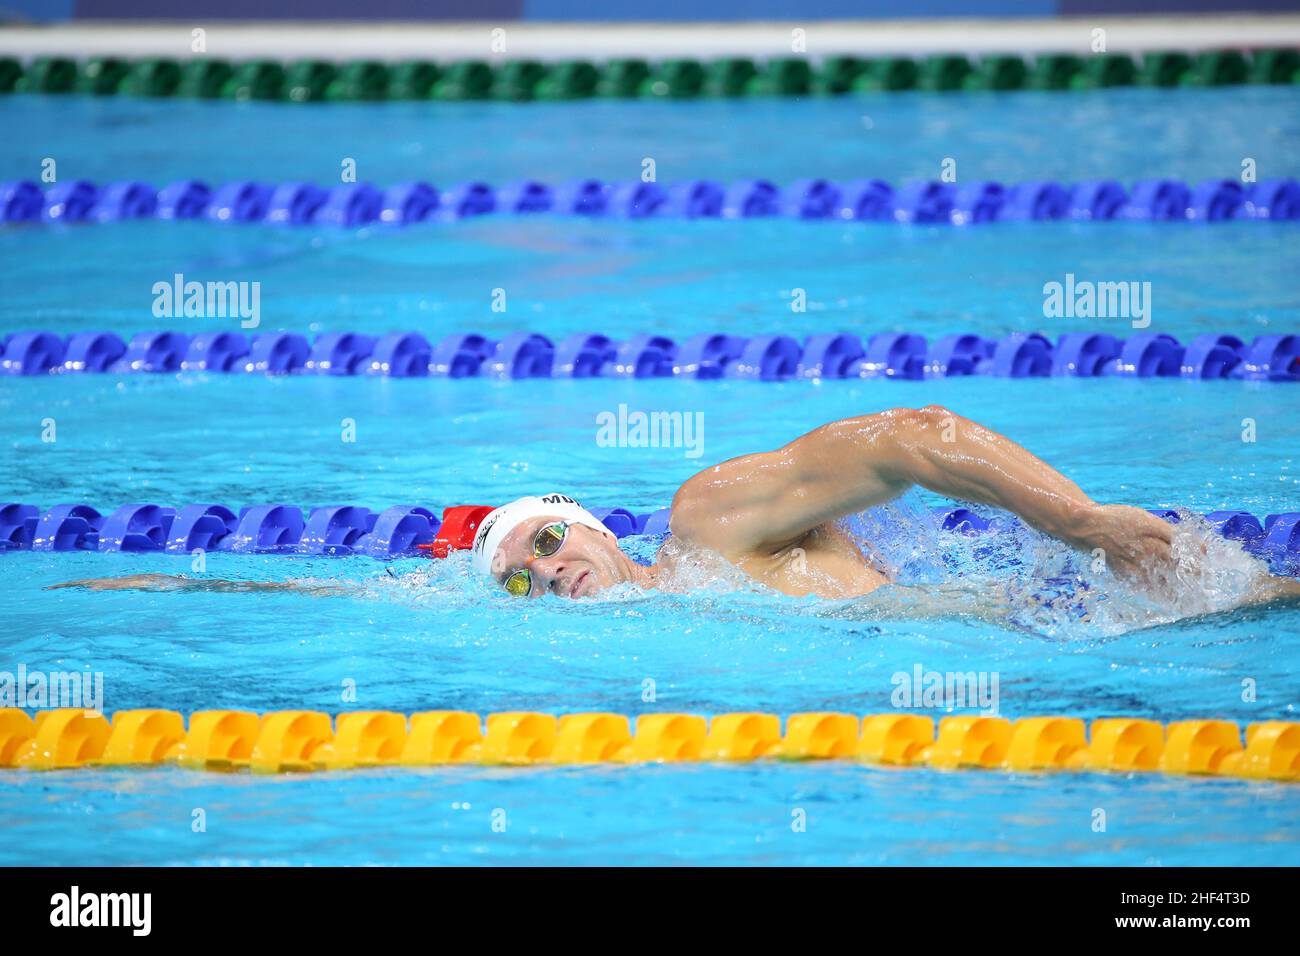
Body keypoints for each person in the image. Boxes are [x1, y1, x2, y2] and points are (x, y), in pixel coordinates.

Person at [49, 405, 1300, 606]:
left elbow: (917, 438)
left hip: (1102, 609)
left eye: (544, 539)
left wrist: (1083, 525)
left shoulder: (706, 523)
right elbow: (355, 590)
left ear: (591, 518)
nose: (547, 571)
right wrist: (173, 578)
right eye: (521, 581)